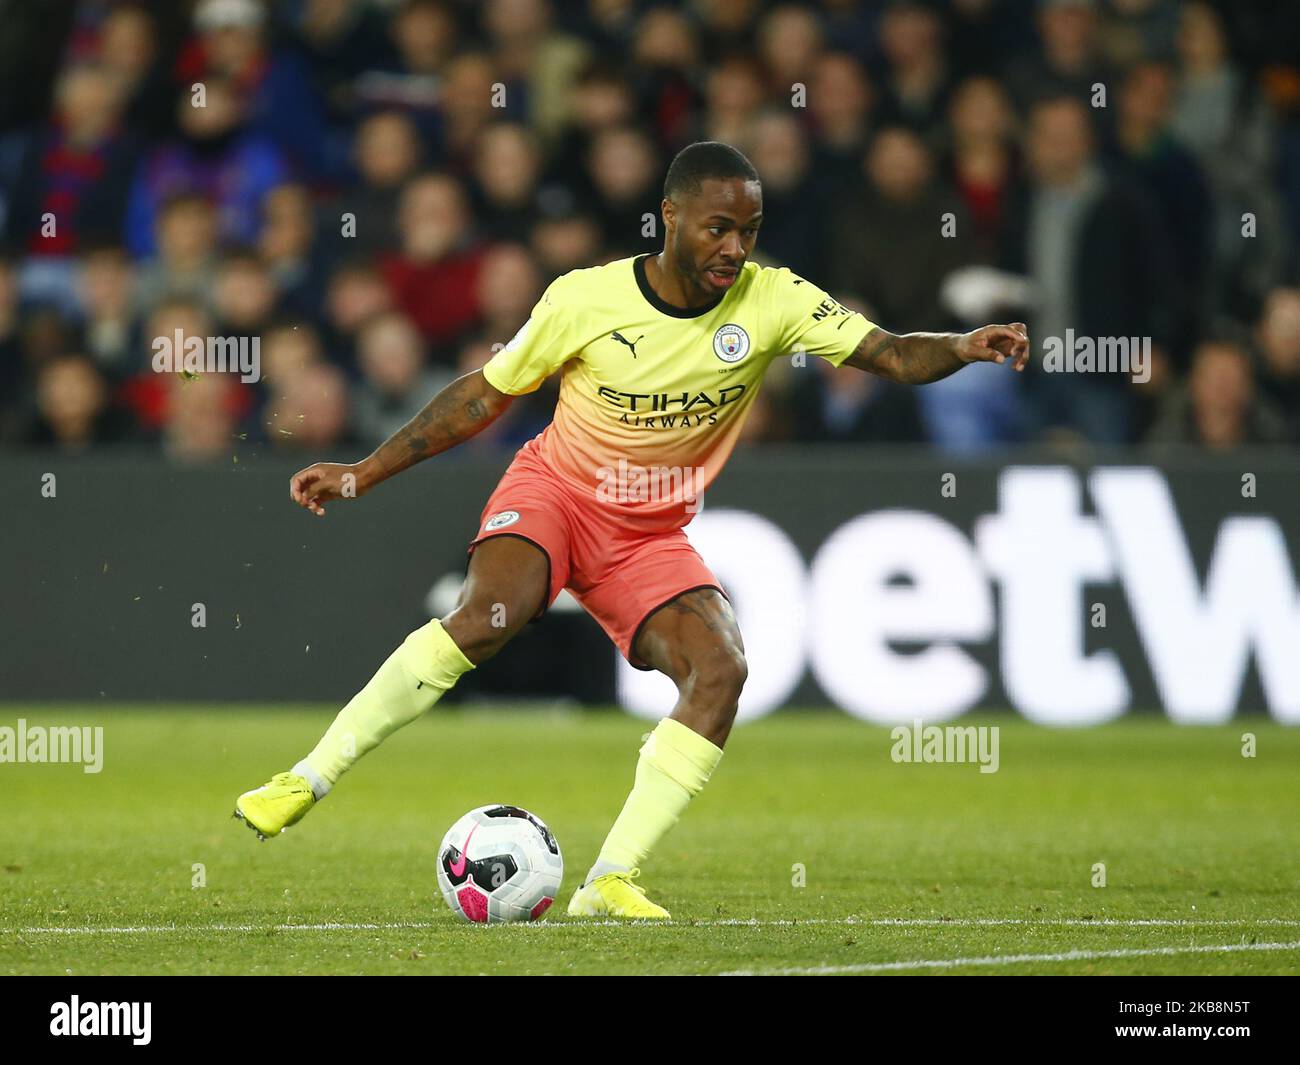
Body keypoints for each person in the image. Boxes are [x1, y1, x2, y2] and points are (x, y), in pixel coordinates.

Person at [233, 142, 1029, 919]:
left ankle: (608, 879)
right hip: (556, 492)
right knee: (487, 617)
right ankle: (307, 776)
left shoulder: (774, 299)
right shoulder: (587, 299)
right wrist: (365, 470)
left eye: (749, 231)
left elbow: (891, 354)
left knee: (721, 670)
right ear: (670, 217)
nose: (734, 248)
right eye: (718, 228)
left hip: (646, 534)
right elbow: (484, 395)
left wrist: (960, 345)